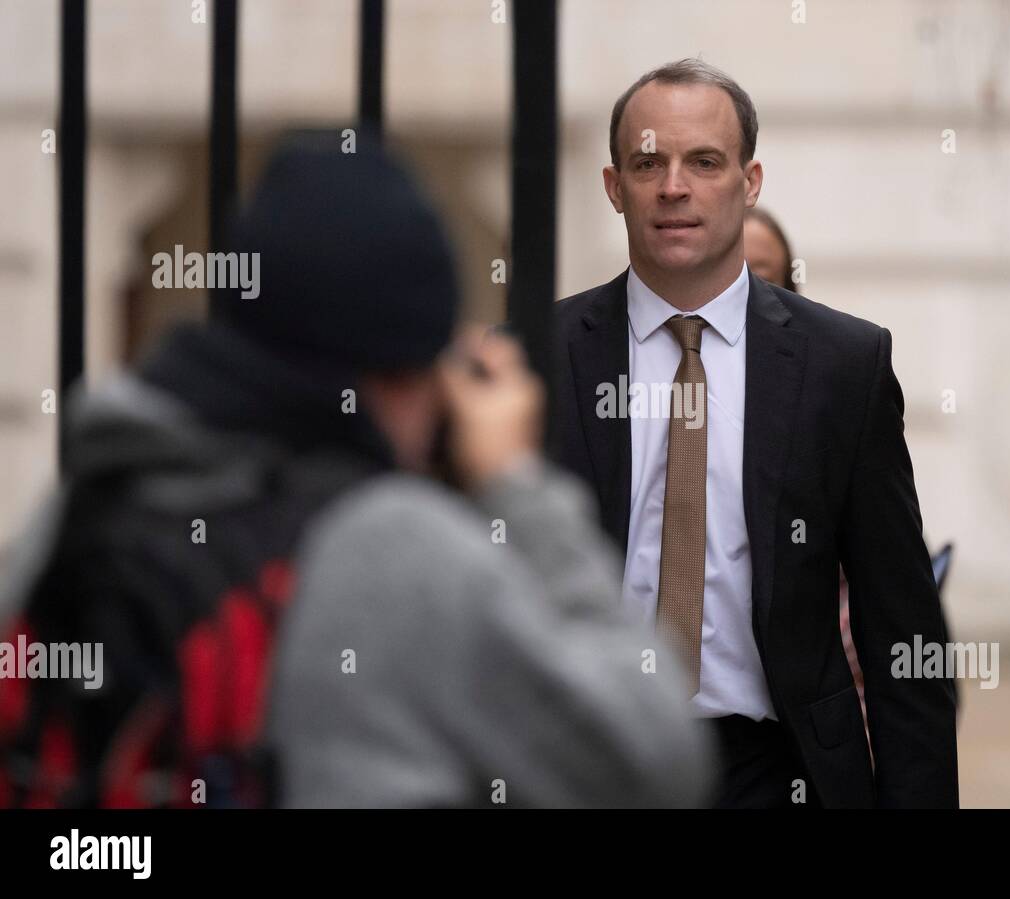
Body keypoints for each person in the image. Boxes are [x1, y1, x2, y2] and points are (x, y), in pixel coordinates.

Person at [0, 133, 711, 808]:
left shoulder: (79, 508)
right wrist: (516, 485)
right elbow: (652, 758)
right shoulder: (392, 547)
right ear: (409, 374)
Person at [549, 58, 958, 808]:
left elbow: (901, 634)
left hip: (778, 773)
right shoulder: (544, 355)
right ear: (615, 186)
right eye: (648, 162)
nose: (675, 186)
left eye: (705, 161)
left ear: (750, 180)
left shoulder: (845, 365)